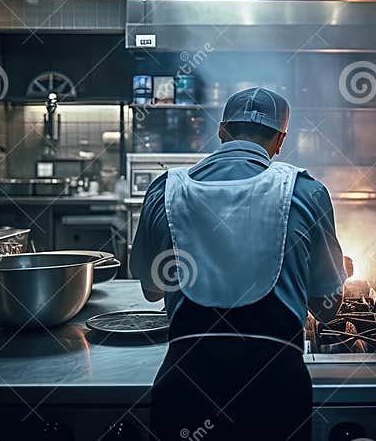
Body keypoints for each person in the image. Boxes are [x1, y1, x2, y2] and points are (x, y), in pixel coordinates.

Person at [129, 87, 348, 441]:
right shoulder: (307, 192)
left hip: (186, 388)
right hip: (275, 393)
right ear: (280, 141)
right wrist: (333, 270)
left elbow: (152, 290)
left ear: (221, 131)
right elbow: (326, 309)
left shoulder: (164, 190)